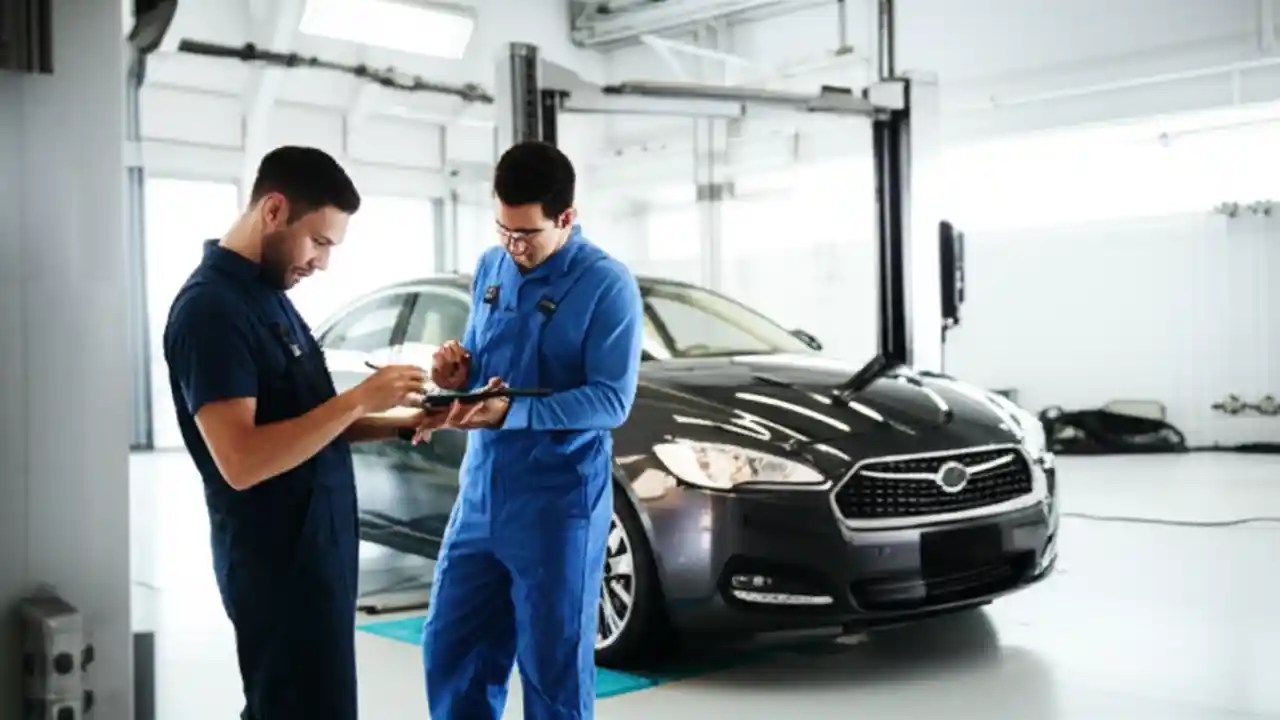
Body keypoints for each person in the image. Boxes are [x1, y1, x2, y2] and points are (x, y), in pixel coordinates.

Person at [163, 145, 446, 720]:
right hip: (276, 565)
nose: (322, 263)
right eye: (319, 241)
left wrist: (396, 424)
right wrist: (359, 398)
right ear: (273, 211)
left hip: (317, 553)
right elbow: (240, 460)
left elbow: (305, 425)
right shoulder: (212, 311)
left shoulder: (270, 297)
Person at [420, 140, 645, 719]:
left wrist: (513, 414)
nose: (513, 248)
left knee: (552, 672)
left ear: (566, 218)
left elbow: (611, 398)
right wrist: (455, 370)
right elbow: (481, 358)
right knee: (452, 650)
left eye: (526, 235)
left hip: (557, 503)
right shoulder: (493, 265)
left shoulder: (607, 285)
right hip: (481, 495)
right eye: (503, 230)